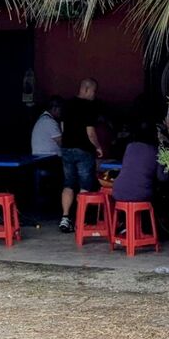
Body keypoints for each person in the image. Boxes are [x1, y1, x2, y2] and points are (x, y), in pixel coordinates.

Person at [58, 78, 102, 233]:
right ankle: (79, 220)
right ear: (86, 89)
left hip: (67, 149)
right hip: (84, 150)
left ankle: (65, 218)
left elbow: (62, 128)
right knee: (84, 186)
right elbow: (90, 133)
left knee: (68, 184)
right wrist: (98, 147)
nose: (94, 95)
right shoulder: (89, 107)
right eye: (94, 91)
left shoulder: (66, 105)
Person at [111, 122, 161, 204]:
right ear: (154, 135)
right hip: (141, 194)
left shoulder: (130, 147)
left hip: (117, 191)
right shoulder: (155, 150)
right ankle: (154, 216)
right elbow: (162, 177)